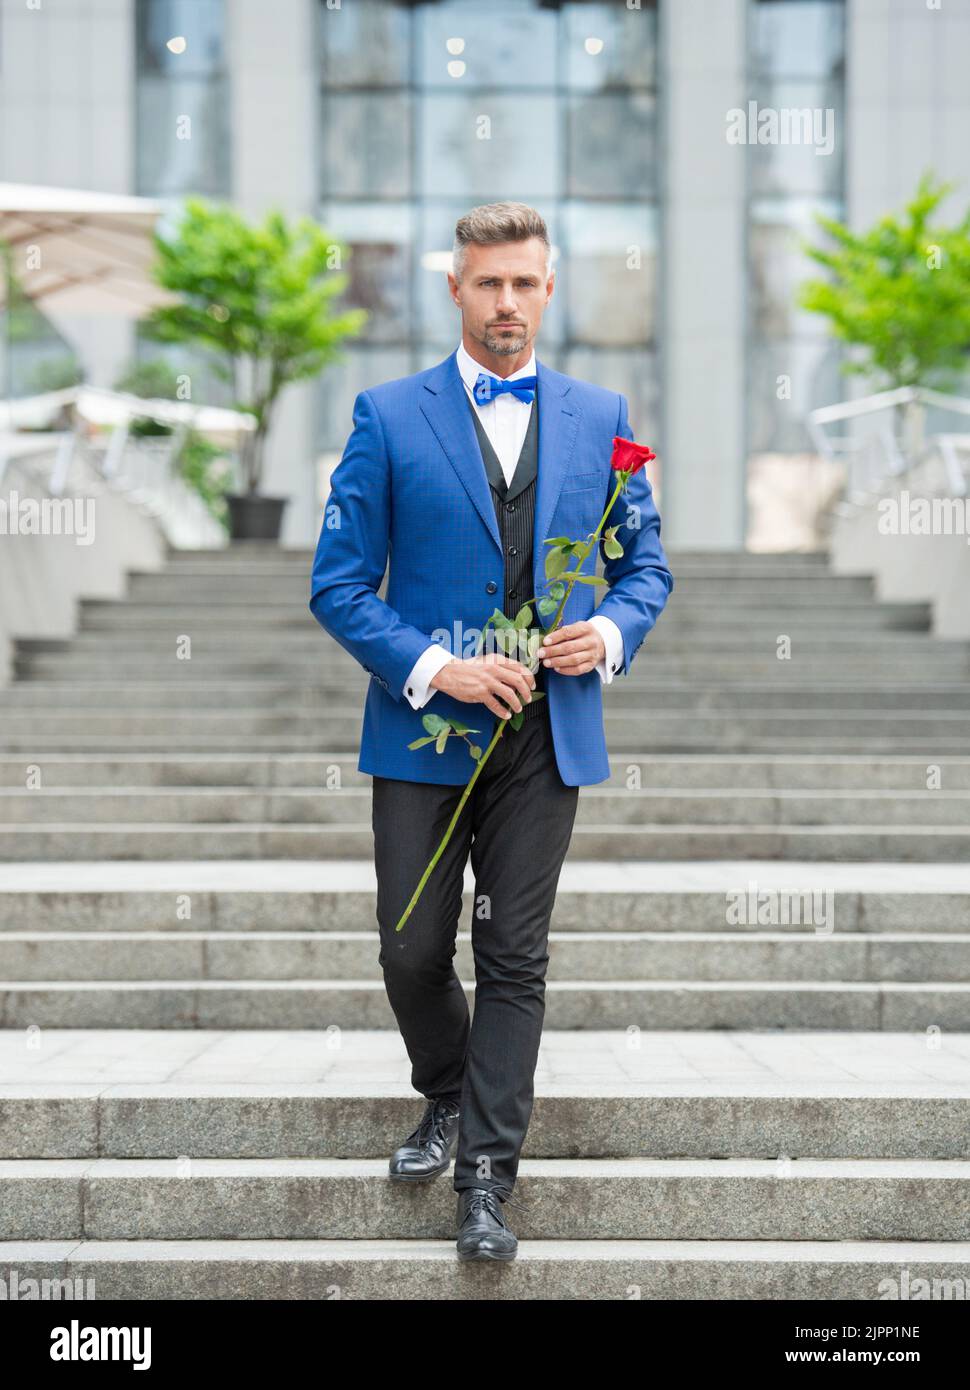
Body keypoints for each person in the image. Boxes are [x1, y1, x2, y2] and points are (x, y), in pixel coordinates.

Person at [309, 200, 673, 1261]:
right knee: (410, 944)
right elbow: (336, 584)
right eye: (487, 283)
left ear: (547, 289)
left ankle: (484, 1178)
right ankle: (444, 1088)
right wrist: (437, 664)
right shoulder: (385, 414)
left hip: (543, 737)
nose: (506, 301)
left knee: (513, 953)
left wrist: (604, 628)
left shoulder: (603, 414)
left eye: (524, 282)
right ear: (455, 288)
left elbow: (644, 564)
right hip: (425, 730)